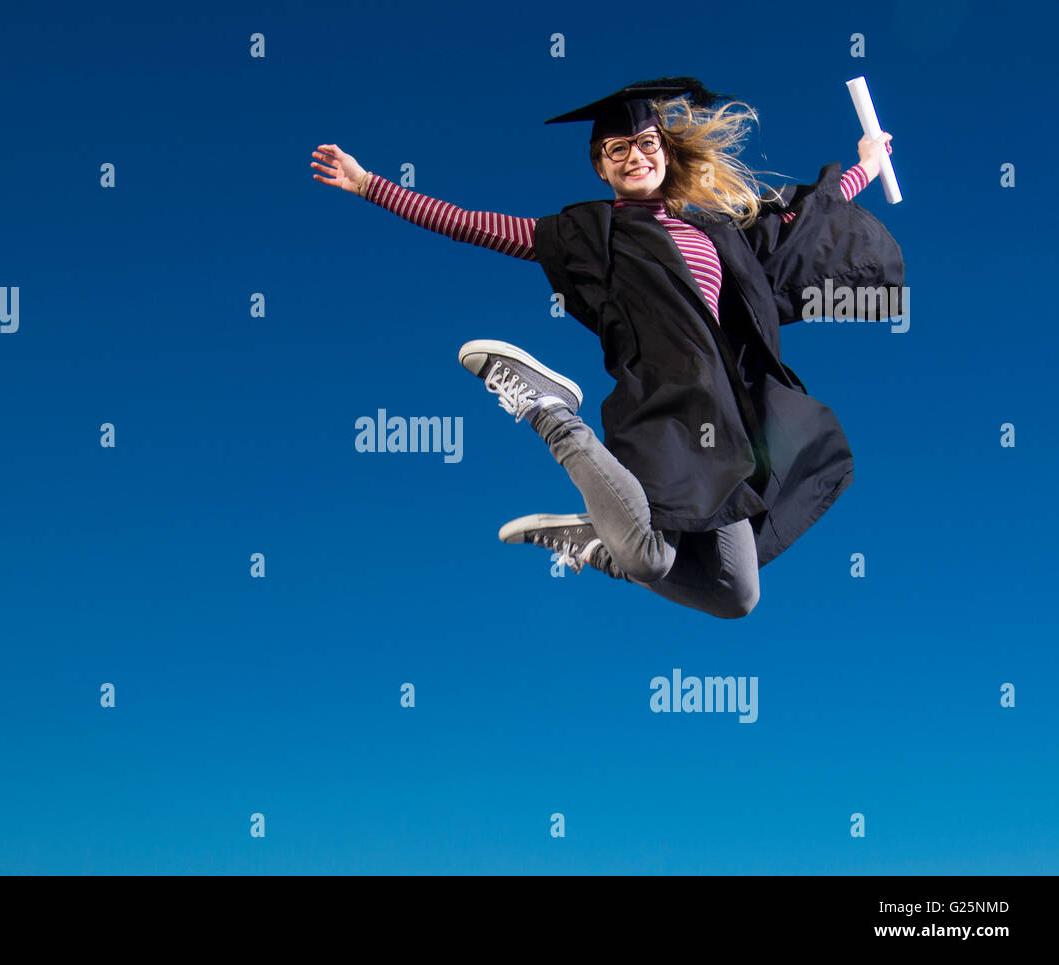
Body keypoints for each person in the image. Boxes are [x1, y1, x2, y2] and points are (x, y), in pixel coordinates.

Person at [311, 77, 902, 619]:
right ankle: (548, 411)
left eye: (644, 142)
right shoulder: (588, 234)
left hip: (726, 419)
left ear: (665, 152)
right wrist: (370, 184)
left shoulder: (718, 231)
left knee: (737, 594)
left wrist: (867, 164)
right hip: (660, 408)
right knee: (647, 560)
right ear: (601, 168)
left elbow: (803, 216)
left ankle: (596, 539)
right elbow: (473, 223)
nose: (634, 155)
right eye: (616, 150)